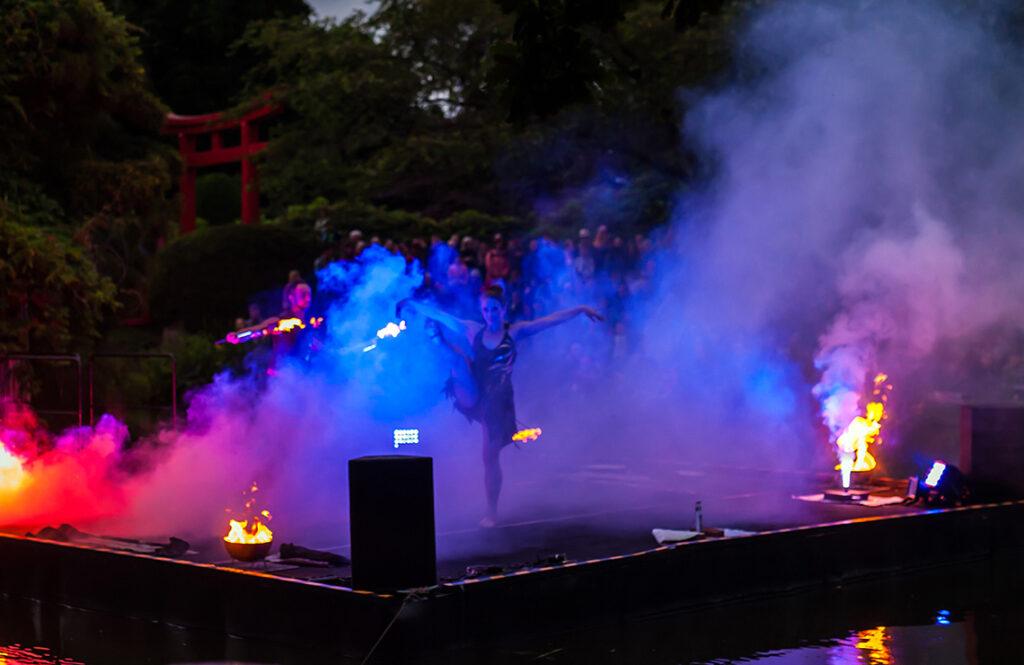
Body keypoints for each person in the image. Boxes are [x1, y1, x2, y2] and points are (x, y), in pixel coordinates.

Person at [400, 285, 603, 527]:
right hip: (473, 390)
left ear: (503, 309)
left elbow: (549, 320)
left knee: (489, 455)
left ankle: (492, 512)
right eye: (486, 309)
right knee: (458, 360)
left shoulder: (516, 332)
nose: (490, 314)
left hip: (498, 401)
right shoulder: (472, 330)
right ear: (482, 311)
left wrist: (580, 309)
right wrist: (412, 304)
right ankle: (436, 340)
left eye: (494, 309)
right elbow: (442, 315)